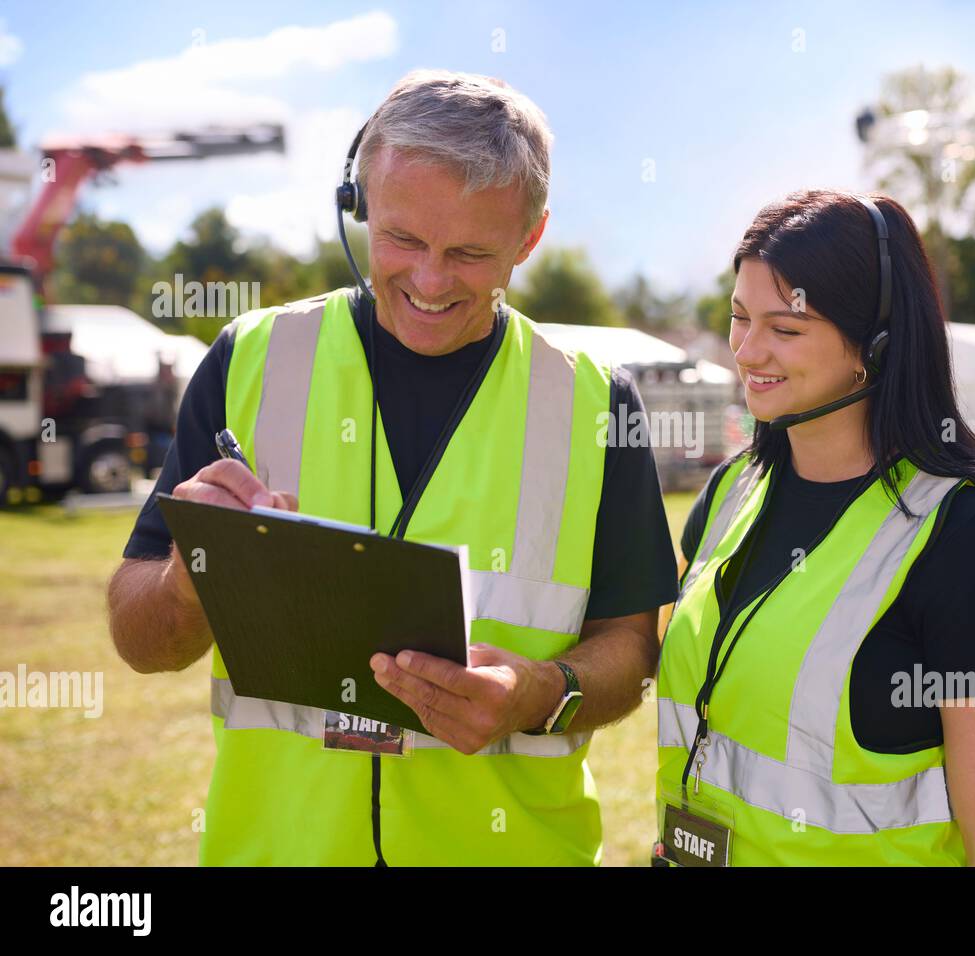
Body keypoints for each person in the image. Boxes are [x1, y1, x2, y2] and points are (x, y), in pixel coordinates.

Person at [107, 69, 679, 866]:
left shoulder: (594, 401)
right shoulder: (250, 359)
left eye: (472, 252)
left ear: (530, 238)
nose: (431, 281)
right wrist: (192, 572)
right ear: (361, 204)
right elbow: (145, 643)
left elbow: (631, 645)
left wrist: (538, 697)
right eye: (403, 239)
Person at [655, 190, 975, 867]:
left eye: (785, 329)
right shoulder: (731, 491)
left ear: (874, 343)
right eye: (738, 318)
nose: (747, 352)